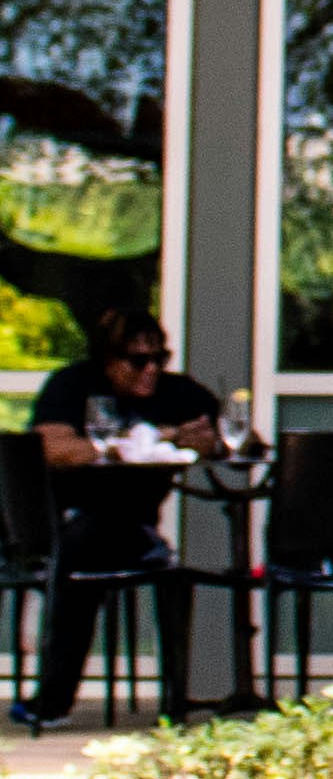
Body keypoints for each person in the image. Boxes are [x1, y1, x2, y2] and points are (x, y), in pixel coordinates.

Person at [11, 304, 221, 727]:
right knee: (78, 547)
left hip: (134, 529)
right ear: (108, 361)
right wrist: (149, 438)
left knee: (92, 546)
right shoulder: (72, 386)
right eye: (137, 360)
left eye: (159, 359)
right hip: (69, 520)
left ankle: (168, 701)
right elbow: (51, 447)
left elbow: (228, 438)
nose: (150, 371)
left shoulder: (178, 393)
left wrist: (204, 440)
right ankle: (54, 696)